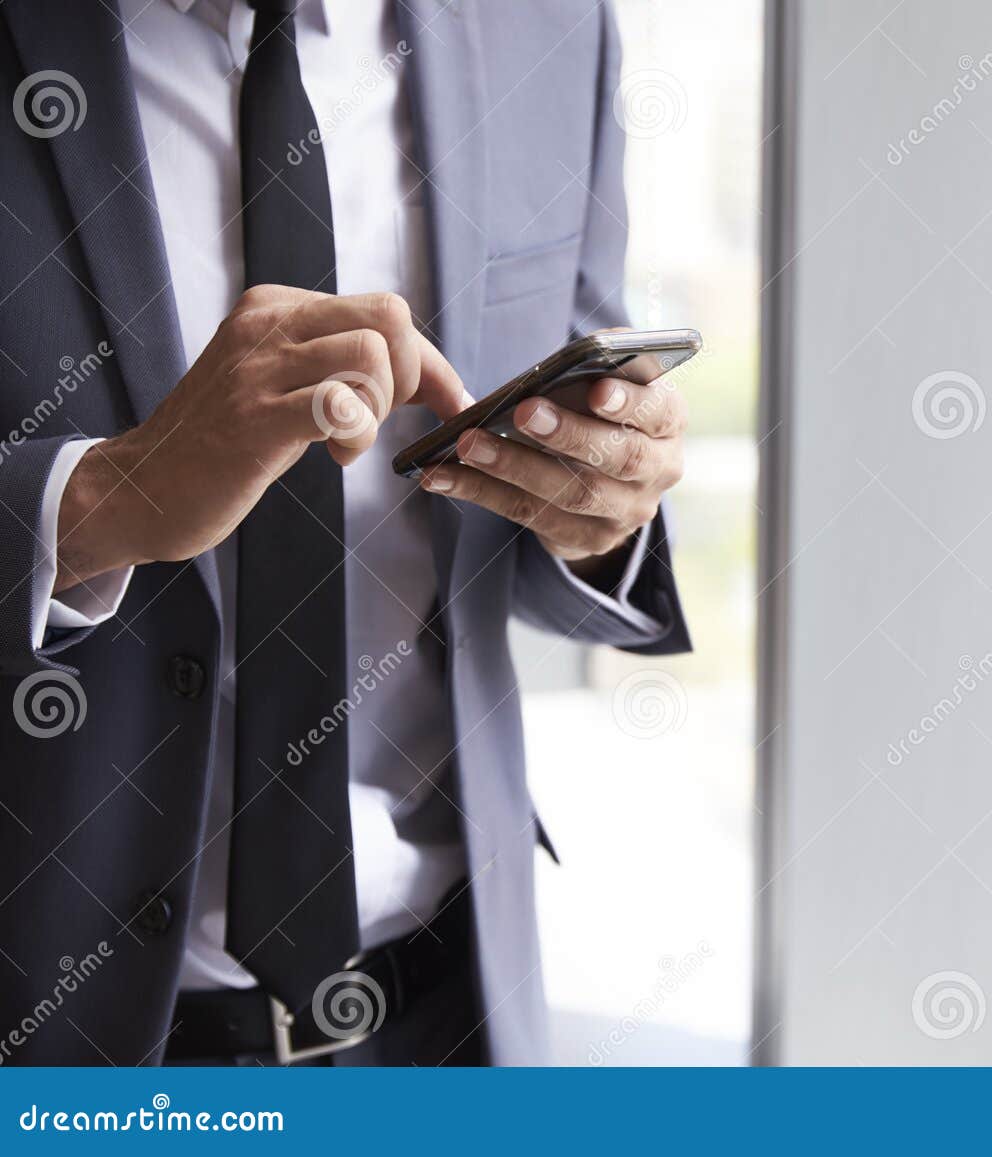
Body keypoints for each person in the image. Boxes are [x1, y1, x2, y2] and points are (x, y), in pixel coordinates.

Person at [0, 0, 689, 1065]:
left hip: (454, 1010)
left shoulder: (551, 27)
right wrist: (103, 505)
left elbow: (577, 436)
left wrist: (600, 508)